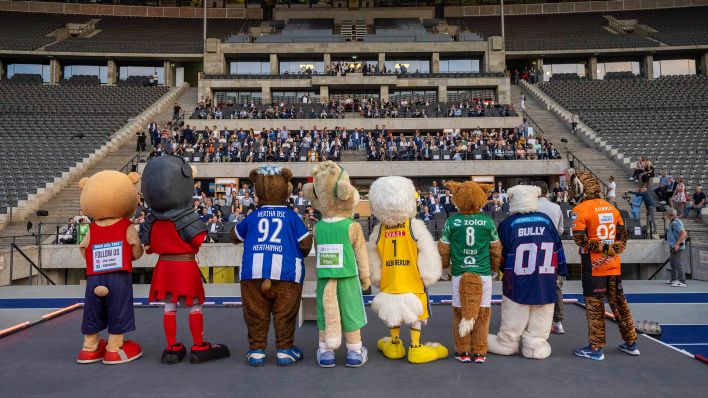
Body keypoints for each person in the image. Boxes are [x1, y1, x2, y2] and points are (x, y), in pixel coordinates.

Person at [569, 170, 638, 361]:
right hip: (613, 265)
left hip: (594, 267)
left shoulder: (580, 210)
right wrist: (611, 249)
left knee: (595, 307)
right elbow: (623, 238)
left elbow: (580, 240)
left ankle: (596, 348)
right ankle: (631, 342)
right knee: (620, 305)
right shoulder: (611, 207)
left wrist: (601, 248)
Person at [534, 181, 565, 334]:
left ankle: (534, 321)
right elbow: (560, 230)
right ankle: (558, 322)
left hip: (534, 251)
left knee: (532, 283)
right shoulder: (556, 207)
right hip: (552, 250)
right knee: (556, 285)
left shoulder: (531, 207)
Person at [664, 208, 688, 287]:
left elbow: (684, 234)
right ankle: (673, 279)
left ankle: (682, 281)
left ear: (670, 215)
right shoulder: (674, 222)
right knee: (672, 263)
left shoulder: (675, 223)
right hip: (673, 246)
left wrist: (677, 244)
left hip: (677, 247)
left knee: (678, 263)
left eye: (666, 213)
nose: (665, 214)